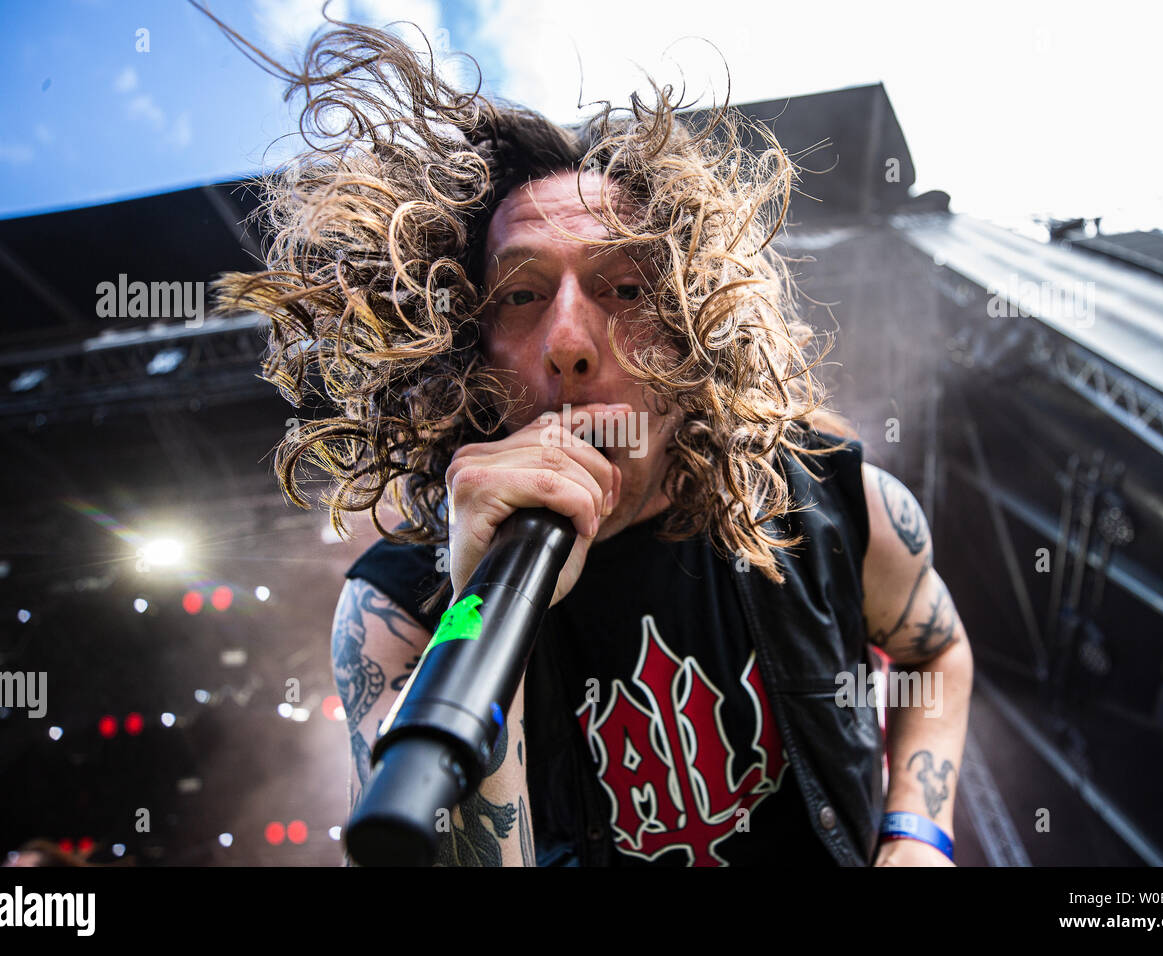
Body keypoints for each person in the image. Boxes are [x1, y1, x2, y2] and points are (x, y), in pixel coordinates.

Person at [203, 12, 972, 867]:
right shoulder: (397, 612)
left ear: (690, 332)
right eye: (522, 295)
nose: (570, 340)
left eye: (627, 286)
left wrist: (918, 831)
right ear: (469, 351)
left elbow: (935, 649)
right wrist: (480, 608)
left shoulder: (830, 498)